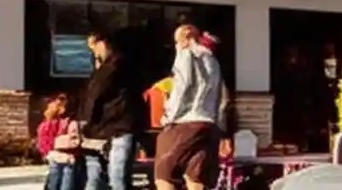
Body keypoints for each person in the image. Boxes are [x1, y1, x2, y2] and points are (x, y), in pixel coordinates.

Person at [155, 25, 233, 190]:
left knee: (165, 175)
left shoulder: (187, 53)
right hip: (208, 125)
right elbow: (223, 99)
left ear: (186, 37)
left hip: (185, 122)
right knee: (197, 177)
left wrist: (169, 116)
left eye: (177, 40)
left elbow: (184, 84)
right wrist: (221, 130)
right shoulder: (212, 60)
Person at [80, 29, 145, 190]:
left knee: (113, 179)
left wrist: (85, 121)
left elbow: (95, 94)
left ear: (102, 43)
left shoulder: (113, 66)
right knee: (108, 178)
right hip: (112, 127)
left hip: (114, 127)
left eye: (93, 46)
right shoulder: (121, 66)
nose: (93, 51)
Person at [38, 93, 80, 190]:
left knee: (58, 184)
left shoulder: (67, 122)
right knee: (61, 184)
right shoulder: (51, 124)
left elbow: (43, 141)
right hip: (63, 157)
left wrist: (47, 153)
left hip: (61, 157)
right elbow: (44, 140)